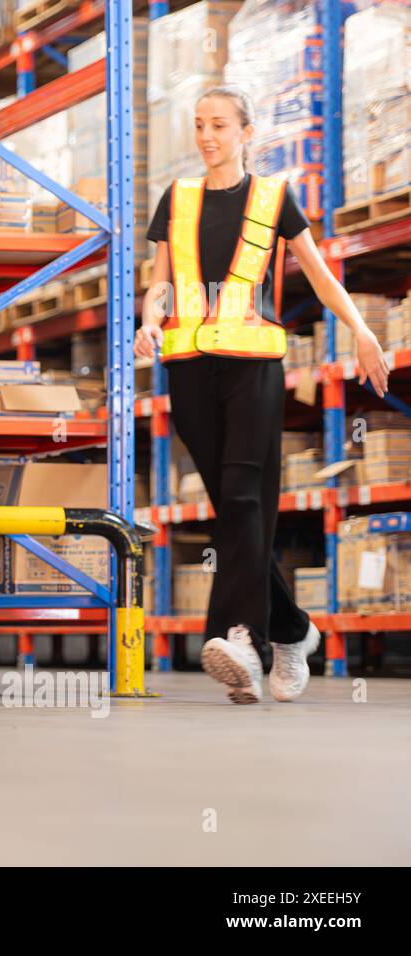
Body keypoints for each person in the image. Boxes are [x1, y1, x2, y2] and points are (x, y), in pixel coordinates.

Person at [136, 86, 391, 705]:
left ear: (246, 132)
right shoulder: (179, 198)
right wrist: (148, 319)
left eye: (219, 125)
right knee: (234, 510)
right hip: (191, 367)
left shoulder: (274, 198)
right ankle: (295, 630)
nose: (207, 136)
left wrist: (361, 333)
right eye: (199, 125)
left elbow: (322, 275)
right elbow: (159, 282)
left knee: (246, 493)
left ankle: (237, 637)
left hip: (253, 365)